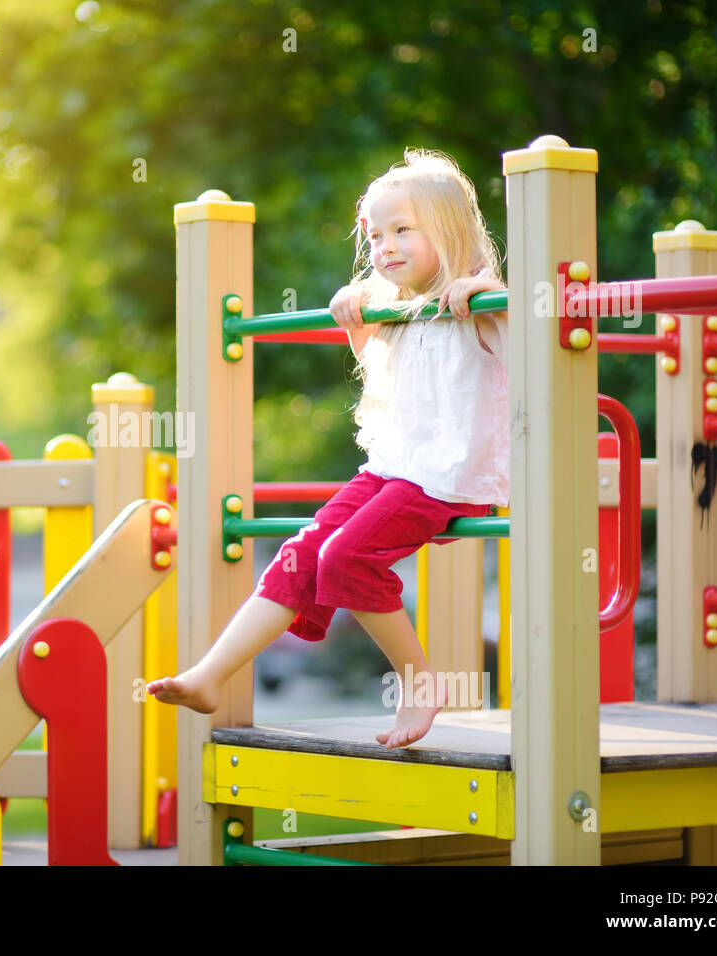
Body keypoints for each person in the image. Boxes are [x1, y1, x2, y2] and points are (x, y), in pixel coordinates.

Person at [148, 148, 509, 749]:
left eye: (401, 231)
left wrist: (487, 293)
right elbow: (389, 378)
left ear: (447, 229)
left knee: (344, 556)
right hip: (394, 471)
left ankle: (418, 680)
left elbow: (529, 350)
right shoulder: (397, 310)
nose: (384, 247)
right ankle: (209, 675)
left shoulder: (483, 302)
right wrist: (355, 319)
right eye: (374, 238)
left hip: (448, 480)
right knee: (301, 554)